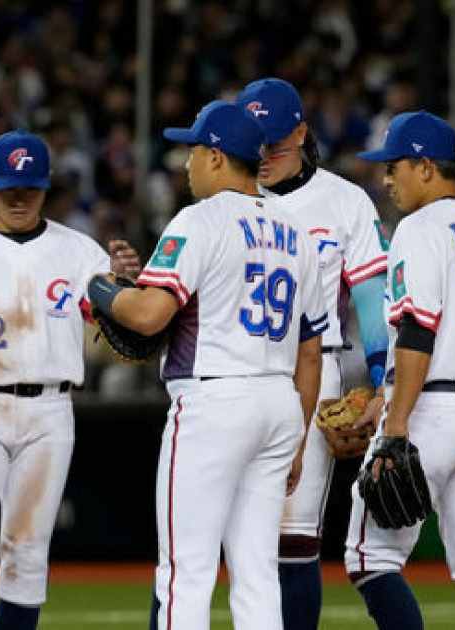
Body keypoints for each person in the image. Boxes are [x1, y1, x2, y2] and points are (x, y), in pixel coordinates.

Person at [86, 101, 327, 630]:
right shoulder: (296, 232)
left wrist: (101, 289)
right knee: (258, 574)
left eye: (192, 152)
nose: (186, 164)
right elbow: (311, 351)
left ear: (217, 157)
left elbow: (149, 315)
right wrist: (300, 439)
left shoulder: (200, 219)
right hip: (278, 404)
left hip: (215, 402)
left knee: (185, 573)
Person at [0, 130, 140, 630]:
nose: (19, 198)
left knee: (27, 552)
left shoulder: (79, 251)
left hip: (51, 410)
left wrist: (129, 287)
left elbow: (118, 325)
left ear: (48, 183)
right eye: (9, 188)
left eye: (29, 187)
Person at [344, 111, 455, 630]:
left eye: (394, 165)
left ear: (424, 166)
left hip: (430, 413)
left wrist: (396, 422)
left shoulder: (419, 228)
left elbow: (419, 330)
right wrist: (388, 396)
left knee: (370, 558)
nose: (386, 178)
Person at [235, 78, 389, 630]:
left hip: (313, 368)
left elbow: (372, 297)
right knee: (203, 537)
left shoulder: (344, 200)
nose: (262, 157)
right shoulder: (225, 197)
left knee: (294, 538)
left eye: (274, 144)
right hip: (231, 372)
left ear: (301, 132)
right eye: (254, 145)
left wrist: (377, 379)